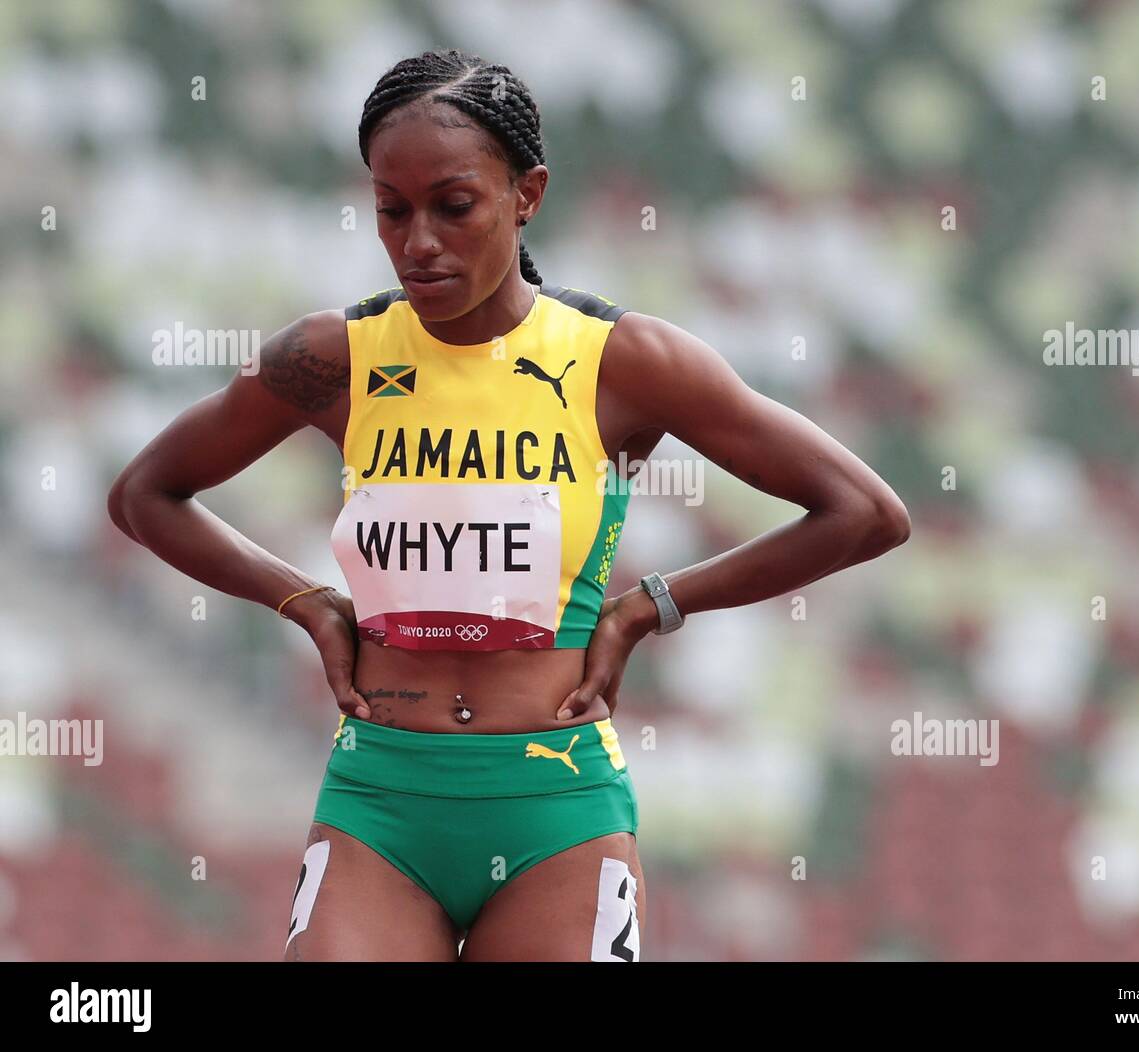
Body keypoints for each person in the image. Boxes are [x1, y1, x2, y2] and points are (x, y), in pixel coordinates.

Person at [106, 47, 911, 962]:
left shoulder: (622, 360)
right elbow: (146, 494)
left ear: (528, 193)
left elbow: (864, 511)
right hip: (381, 803)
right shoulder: (333, 358)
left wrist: (651, 608)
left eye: (454, 207)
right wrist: (306, 604)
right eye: (391, 209)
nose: (418, 242)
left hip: (555, 811)